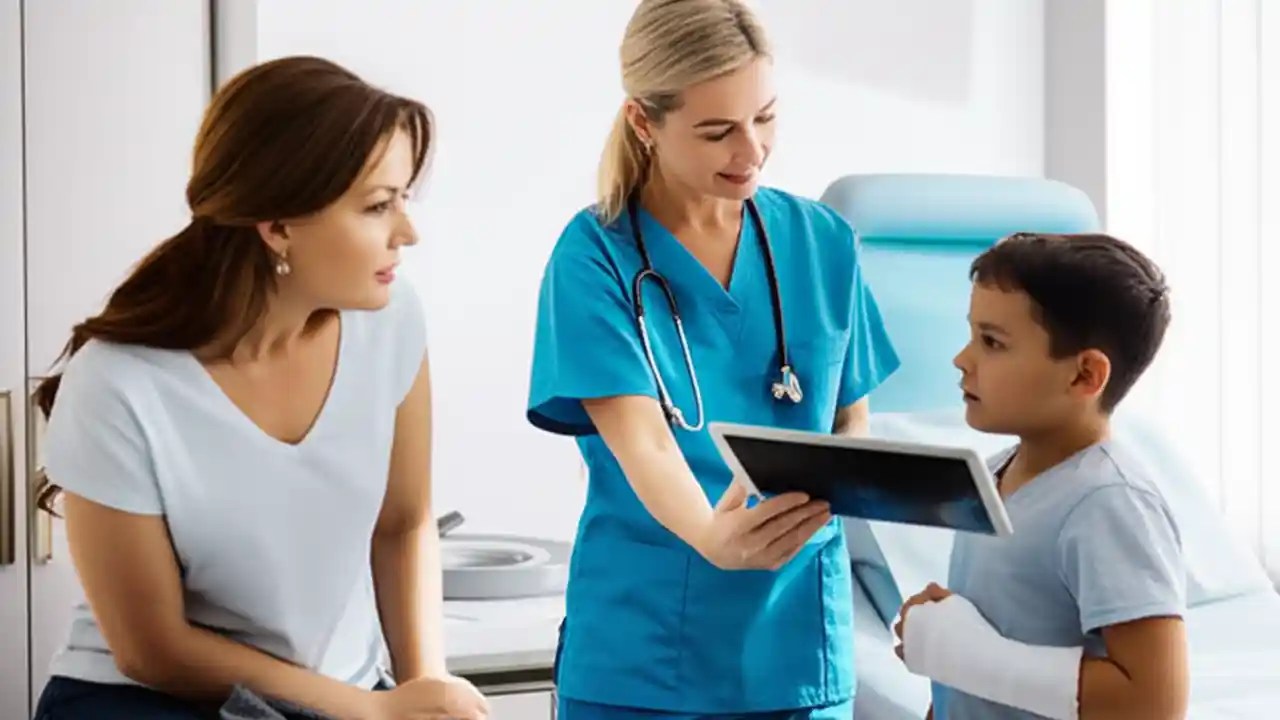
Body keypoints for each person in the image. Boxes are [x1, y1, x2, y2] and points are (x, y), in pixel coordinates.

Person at [30, 56, 489, 720]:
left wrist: (425, 691)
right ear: (277, 227)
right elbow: (152, 648)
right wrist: (376, 713)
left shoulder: (390, 322)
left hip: (341, 695)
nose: (407, 233)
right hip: (150, 701)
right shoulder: (118, 384)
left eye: (404, 199)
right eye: (377, 206)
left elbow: (402, 523)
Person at [525, 1, 901, 717]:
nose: (751, 150)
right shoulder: (595, 255)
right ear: (644, 122)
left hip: (799, 650)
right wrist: (710, 535)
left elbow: (851, 421)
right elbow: (644, 441)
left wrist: (854, 484)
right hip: (645, 657)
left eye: (765, 117)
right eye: (717, 131)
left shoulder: (822, 241)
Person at [893, 233, 1189, 719]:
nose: (962, 359)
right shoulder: (991, 476)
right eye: (972, 336)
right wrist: (949, 657)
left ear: (1084, 375)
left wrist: (963, 655)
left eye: (992, 342)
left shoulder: (1110, 501)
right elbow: (968, 671)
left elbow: (1155, 704)